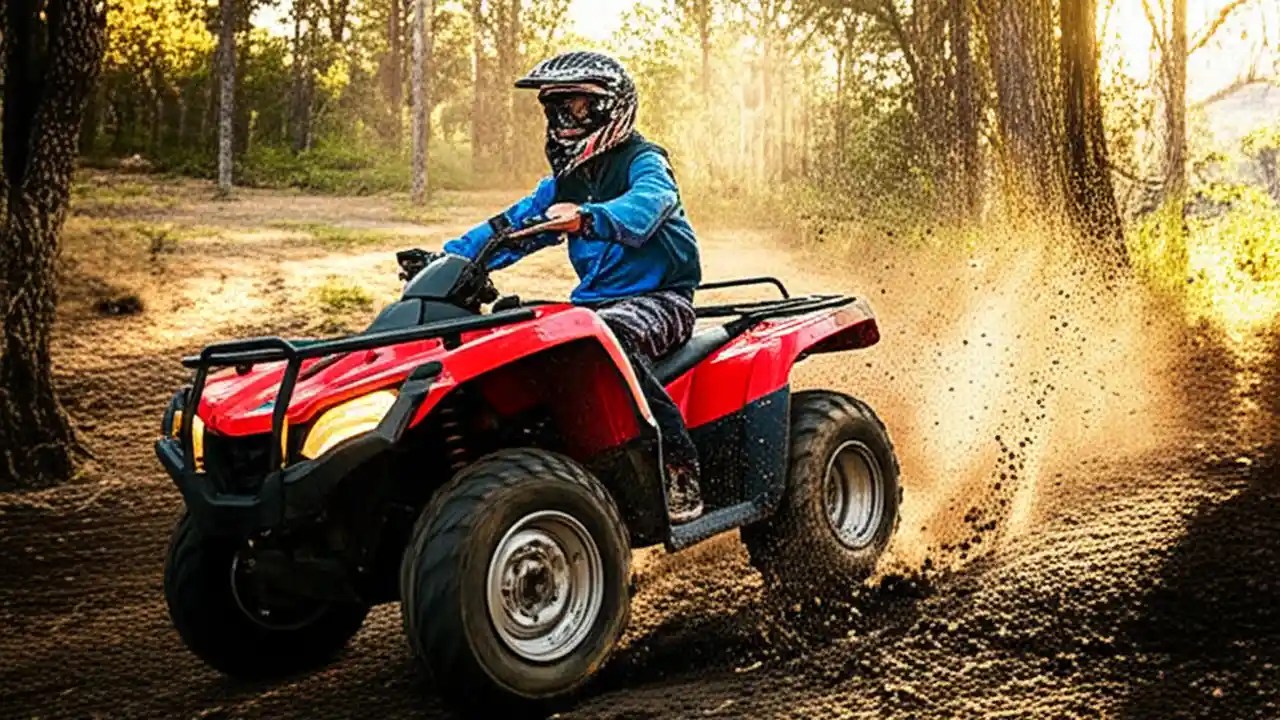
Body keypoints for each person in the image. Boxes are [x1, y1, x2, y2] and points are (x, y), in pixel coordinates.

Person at [405, 50, 705, 523]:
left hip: (659, 300)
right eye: (555, 107)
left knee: (611, 340)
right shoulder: (563, 184)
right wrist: (447, 259)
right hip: (593, 306)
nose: (564, 118)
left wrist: (589, 218)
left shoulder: (645, 163)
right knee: (518, 341)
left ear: (611, 107)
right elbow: (506, 227)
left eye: (578, 106)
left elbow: (648, 206)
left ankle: (677, 464)